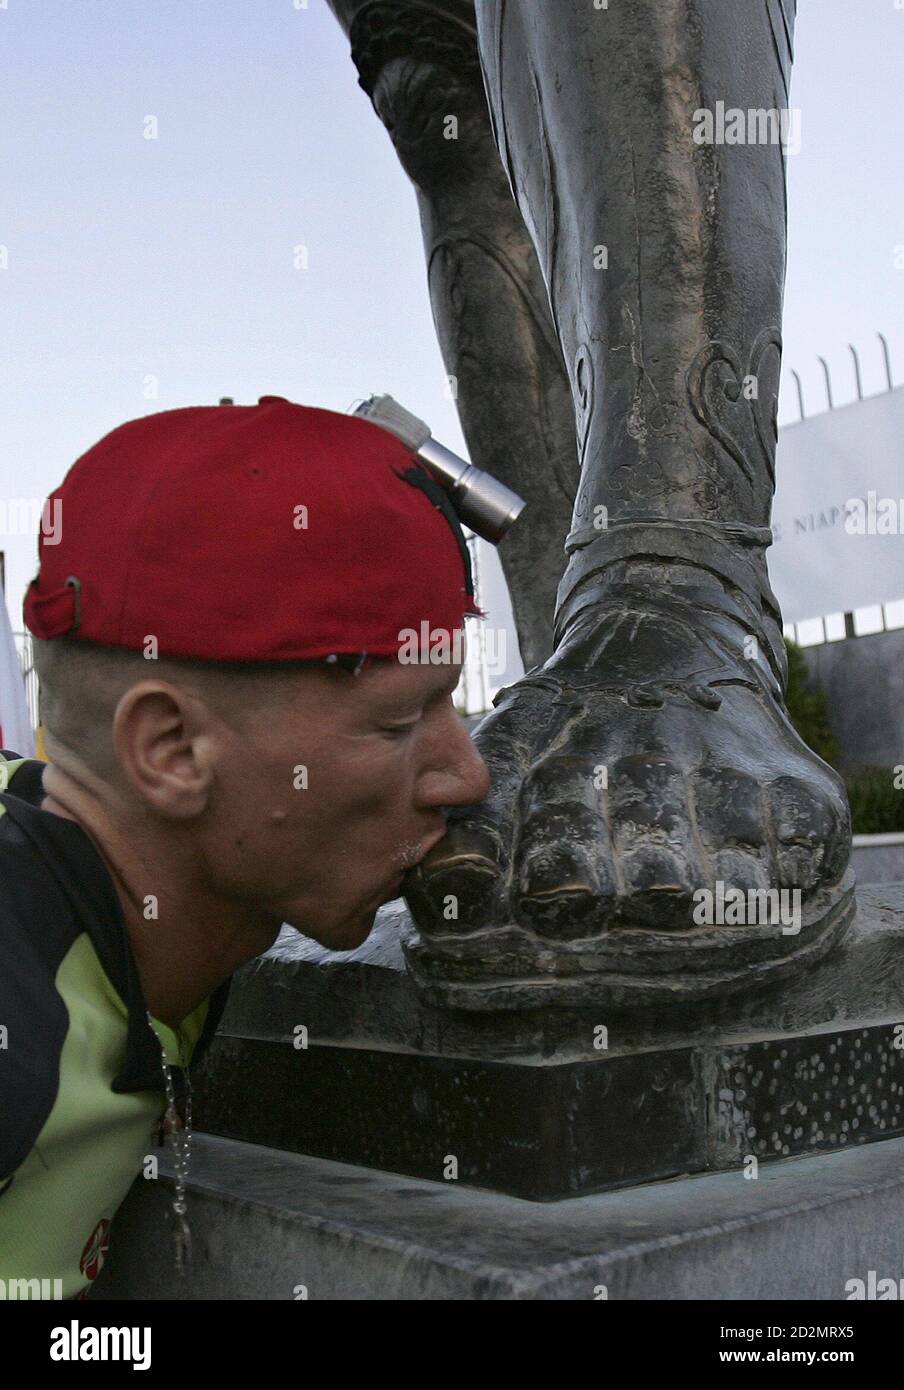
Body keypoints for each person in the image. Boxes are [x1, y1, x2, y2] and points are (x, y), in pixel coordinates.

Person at [0, 395, 491, 1298]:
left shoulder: (130, 912)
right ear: (172, 751)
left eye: (451, 707)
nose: (468, 778)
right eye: (398, 722)